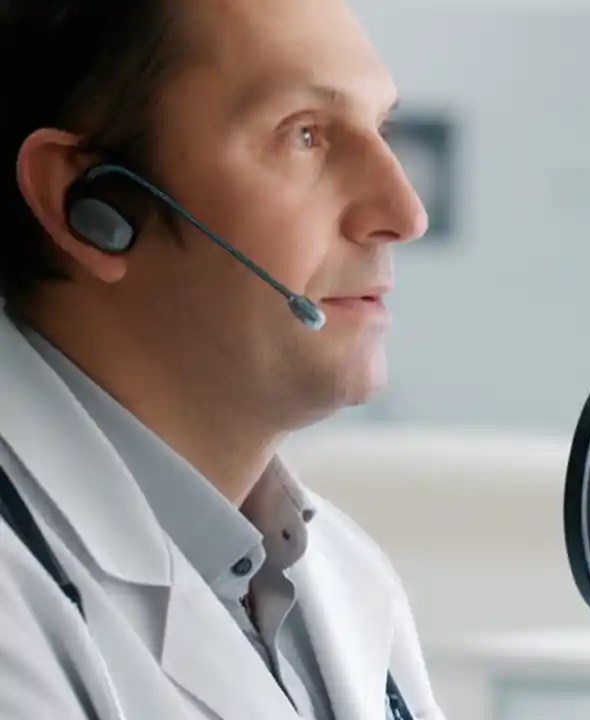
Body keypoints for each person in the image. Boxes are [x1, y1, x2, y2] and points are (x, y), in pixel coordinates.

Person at [0, 0, 445, 718]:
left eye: (382, 128)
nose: (405, 212)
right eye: (305, 135)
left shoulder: (340, 576)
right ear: (90, 205)